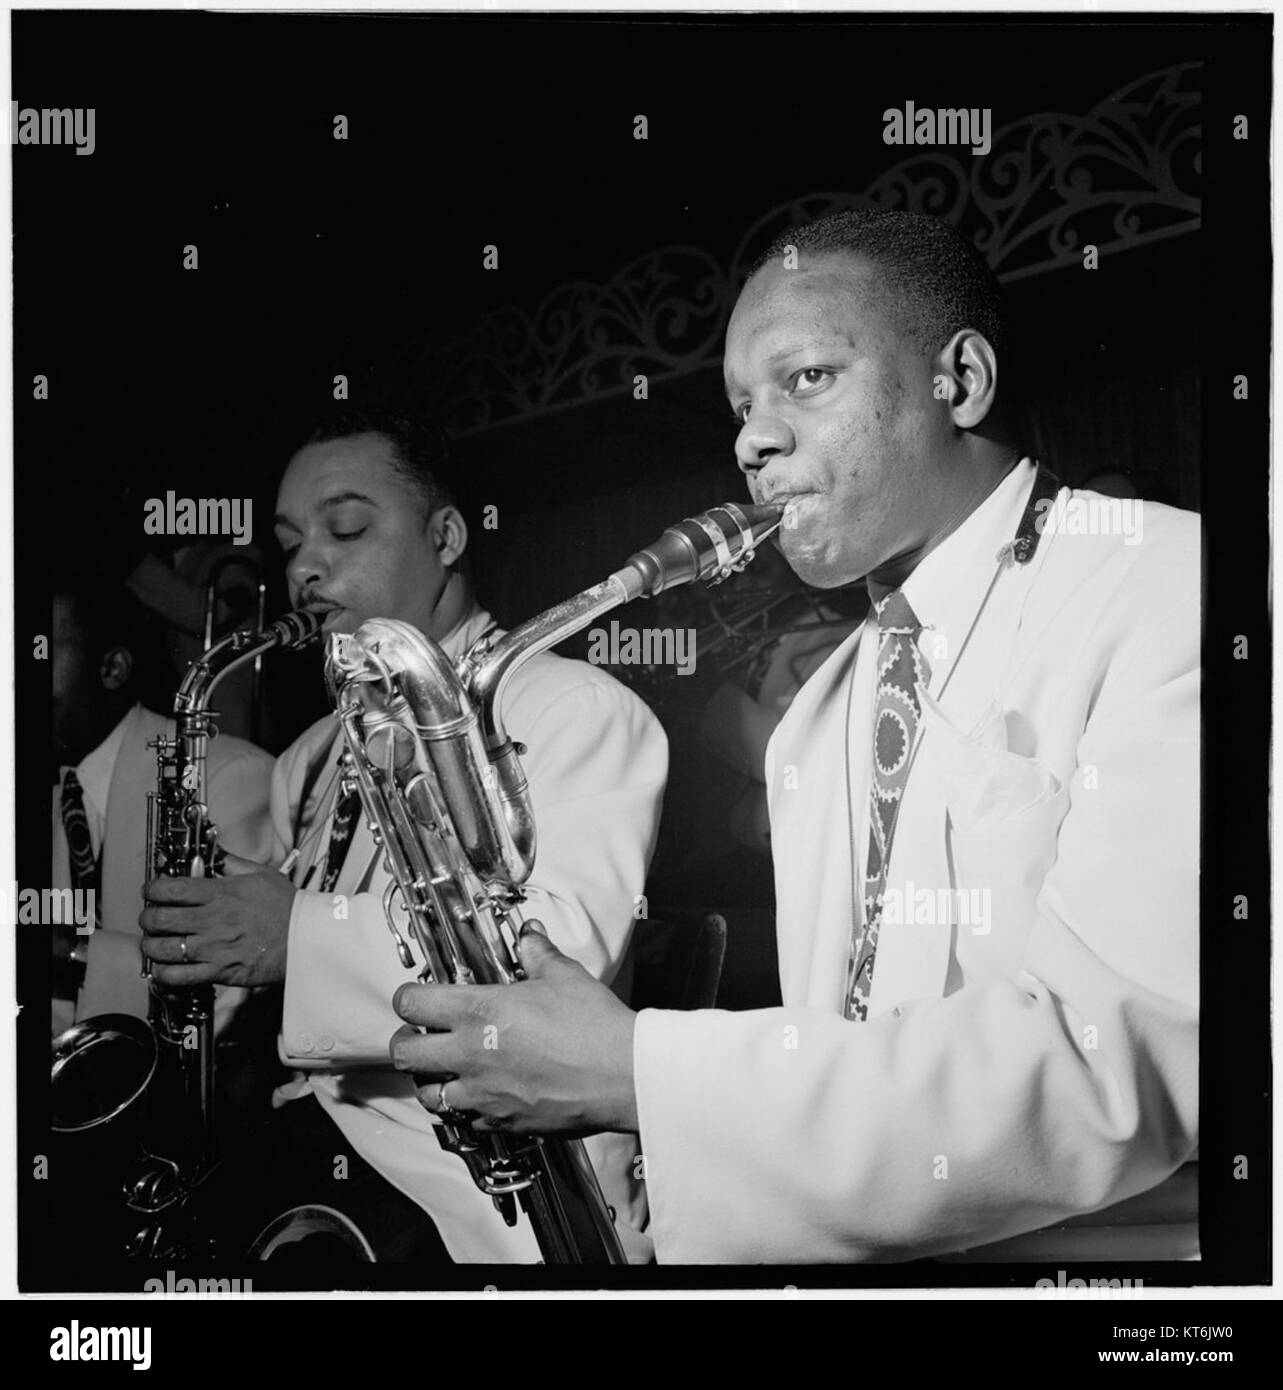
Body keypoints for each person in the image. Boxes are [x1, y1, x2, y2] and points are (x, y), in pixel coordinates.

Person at [388, 210, 1200, 1264]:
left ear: (959, 379)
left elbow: (1110, 1073)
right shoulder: (815, 720)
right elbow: (853, 1057)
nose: (750, 440)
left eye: (805, 377)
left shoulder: (1169, 586)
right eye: (738, 407)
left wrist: (636, 1072)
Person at [139, 411, 667, 1262]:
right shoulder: (307, 756)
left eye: (346, 527)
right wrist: (211, 948)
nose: (307, 566)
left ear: (447, 536)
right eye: (291, 542)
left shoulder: (572, 708)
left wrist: (293, 936)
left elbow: (553, 959)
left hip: (487, 1195)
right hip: (317, 1153)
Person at [52, 585, 275, 1037]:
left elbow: (229, 990)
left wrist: (72, 955)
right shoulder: (54, 787)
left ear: (112, 668)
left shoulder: (227, 775)